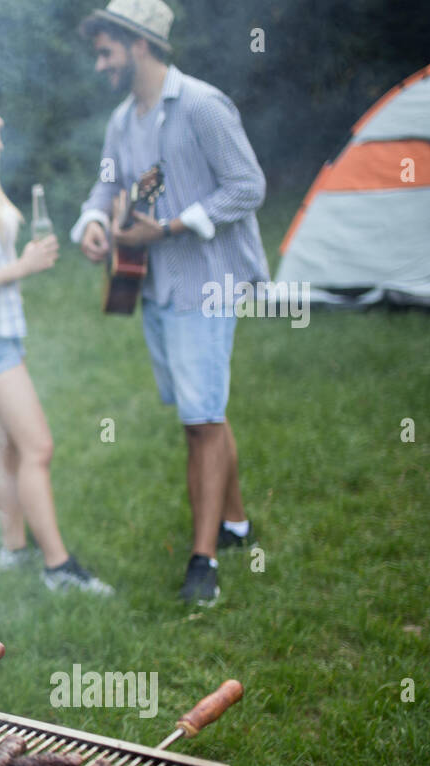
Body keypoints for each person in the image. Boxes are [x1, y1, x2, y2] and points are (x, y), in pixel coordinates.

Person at [72, 0, 265, 605]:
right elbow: (107, 185)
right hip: (149, 285)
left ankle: (202, 562)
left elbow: (249, 186)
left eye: (107, 51)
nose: (100, 63)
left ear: (139, 45)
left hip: (204, 284)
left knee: (199, 421)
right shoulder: (123, 121)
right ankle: (235, 526)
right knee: (202, 408)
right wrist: (92, 225)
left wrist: (174, 225)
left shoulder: (203, 106)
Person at [0, 83, 113, 594]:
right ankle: (58, 567)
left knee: (7, 444)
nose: (2, 131)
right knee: (38, 446)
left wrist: (19, 261)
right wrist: (23, 265)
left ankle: (12, 549)